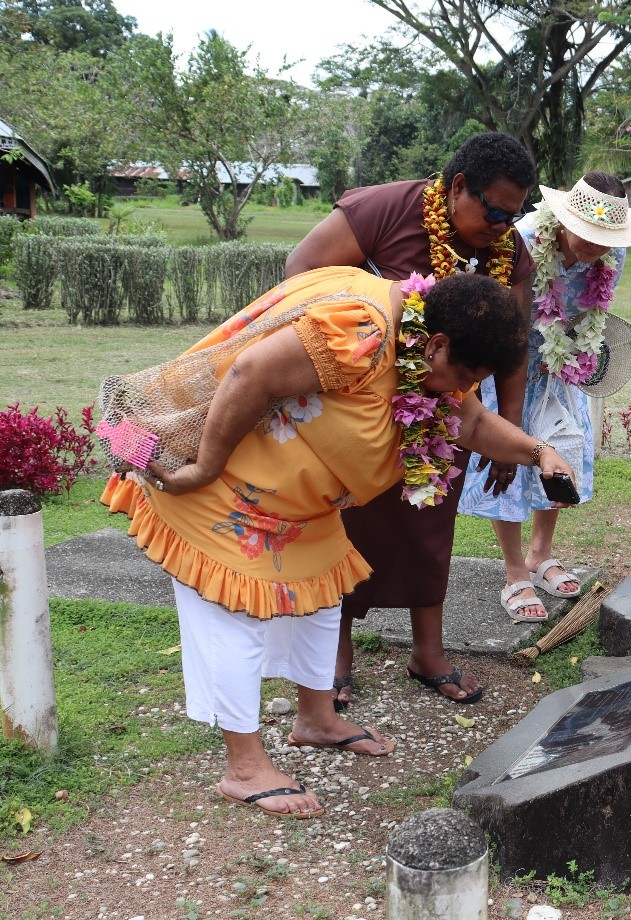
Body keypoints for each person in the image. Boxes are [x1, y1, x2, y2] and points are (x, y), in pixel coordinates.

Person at [100, 268, 577, 818]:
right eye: (464, 373)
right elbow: (250, 372)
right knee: (235, 619)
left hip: (302, 514)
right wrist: (205, 466)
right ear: (438, 344)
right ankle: (245, 766)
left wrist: (538, 451)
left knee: (324, 608)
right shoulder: (363, 332)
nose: (460, 388)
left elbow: (467, 422)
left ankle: (316, 719)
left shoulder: (425, 352)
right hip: (228, 498)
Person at [285, 132, 537, 708]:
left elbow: (513, 344)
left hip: (445, 411)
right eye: (492, 210)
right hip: (356, 403)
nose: (502, 225)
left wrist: (511, 434)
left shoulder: (510, 252)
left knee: (430, 526)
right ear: (455, 189)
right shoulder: (380, 209)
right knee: (343, 526)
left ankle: (428, 653)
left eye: (513, 214)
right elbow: (300, 272)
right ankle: (336, 658)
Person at [458, 173, 631, 621]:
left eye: (606, 238)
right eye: (586, 233)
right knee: (507, 456)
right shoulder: (522, 240)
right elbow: (491, 304)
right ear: (563, 219)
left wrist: (566, 352)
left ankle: (540, 553)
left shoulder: (613, 255)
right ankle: (514, 572)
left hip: (560, 365)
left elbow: (592, 310)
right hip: (507, 363)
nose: (595, 245)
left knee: (559, 451)